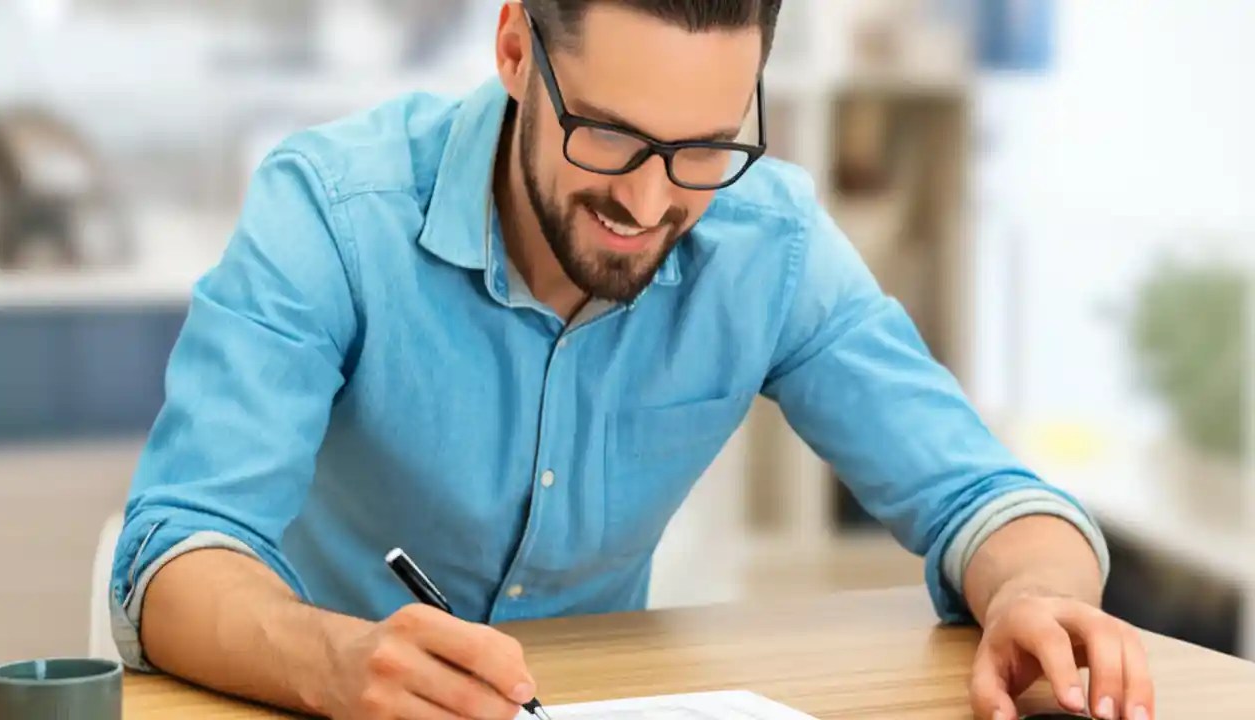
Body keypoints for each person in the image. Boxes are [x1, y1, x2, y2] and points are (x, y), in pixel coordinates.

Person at [109, 2, 1154, 719]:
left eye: (703, 147)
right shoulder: (333, 214)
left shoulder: (768, 241)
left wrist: (1032, 595)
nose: (649, 203)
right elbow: (173, 549)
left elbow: (985, 496)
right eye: (607, 137)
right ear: (514, 50)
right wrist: (338, 664)